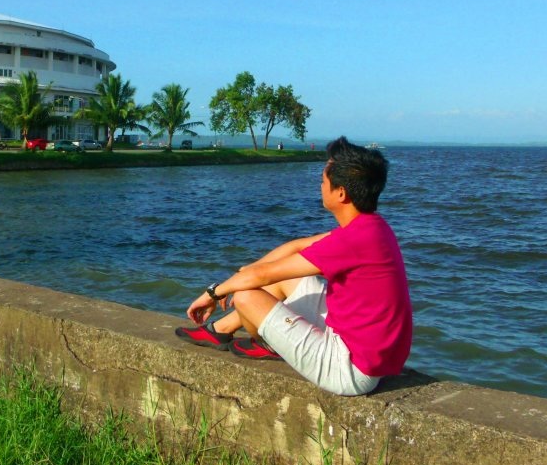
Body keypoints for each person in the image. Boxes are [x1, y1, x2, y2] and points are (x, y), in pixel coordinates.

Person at [175, 136, 412, 395]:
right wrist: (242, 273)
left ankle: (270, 344)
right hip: (358, 346)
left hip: (349, 370)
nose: (320, 186)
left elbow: (263, 275)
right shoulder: (372, 227)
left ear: (341, 192)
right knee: (275, 279)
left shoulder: (354, 240)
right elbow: (296, 247)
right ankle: (221, 330)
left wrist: (214, 292)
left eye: (323, 182)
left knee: (245, 296)